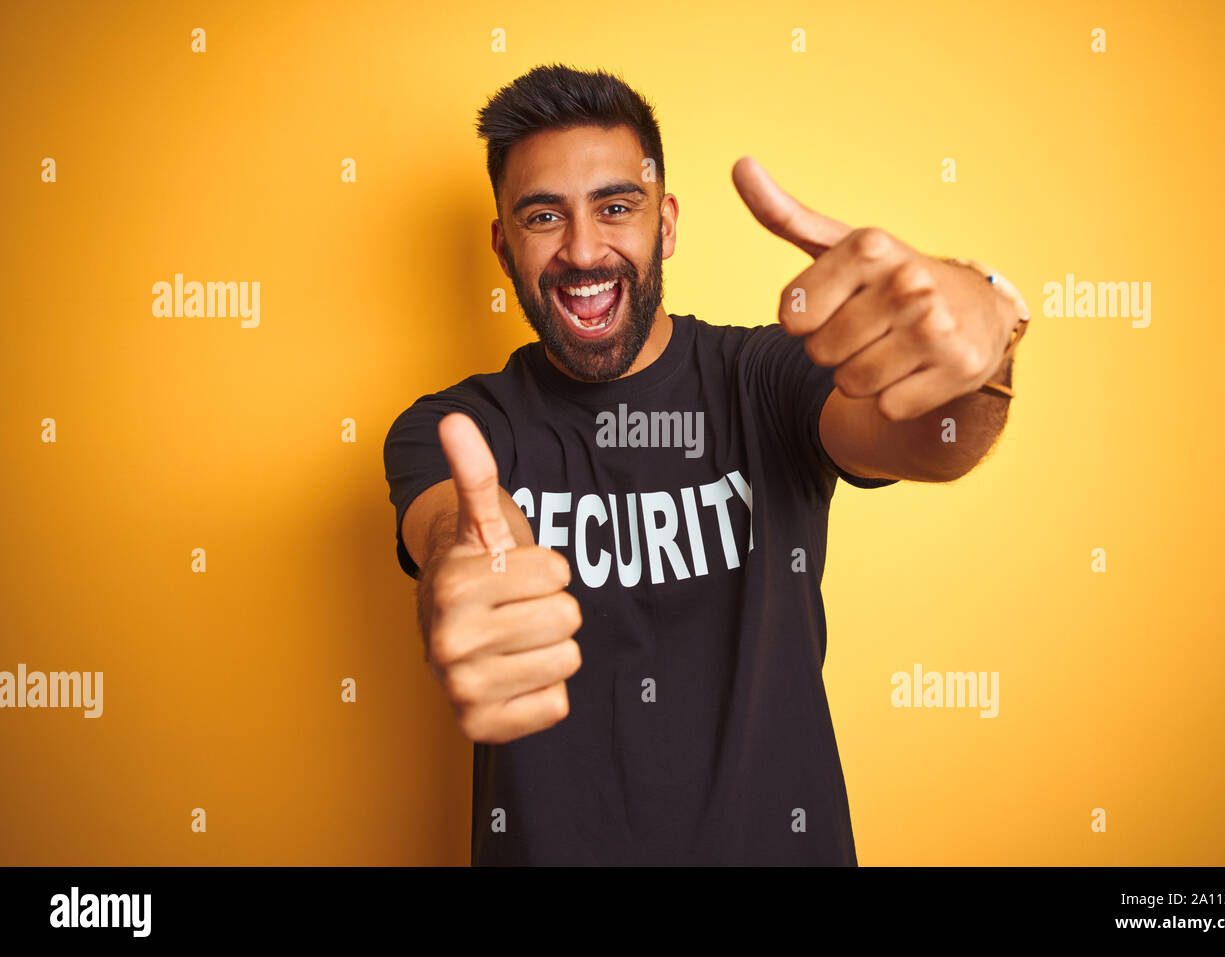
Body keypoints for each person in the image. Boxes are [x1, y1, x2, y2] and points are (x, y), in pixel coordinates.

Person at [383, 63, 1028, 865]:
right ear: (503, 244)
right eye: (543, 216)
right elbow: (452, 531)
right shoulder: (455, 427)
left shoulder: (767, 377)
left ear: (669, 224)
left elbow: (934, 439)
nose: (584, 250)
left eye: (616, 207)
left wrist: (987, 332)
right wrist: (461, 577)